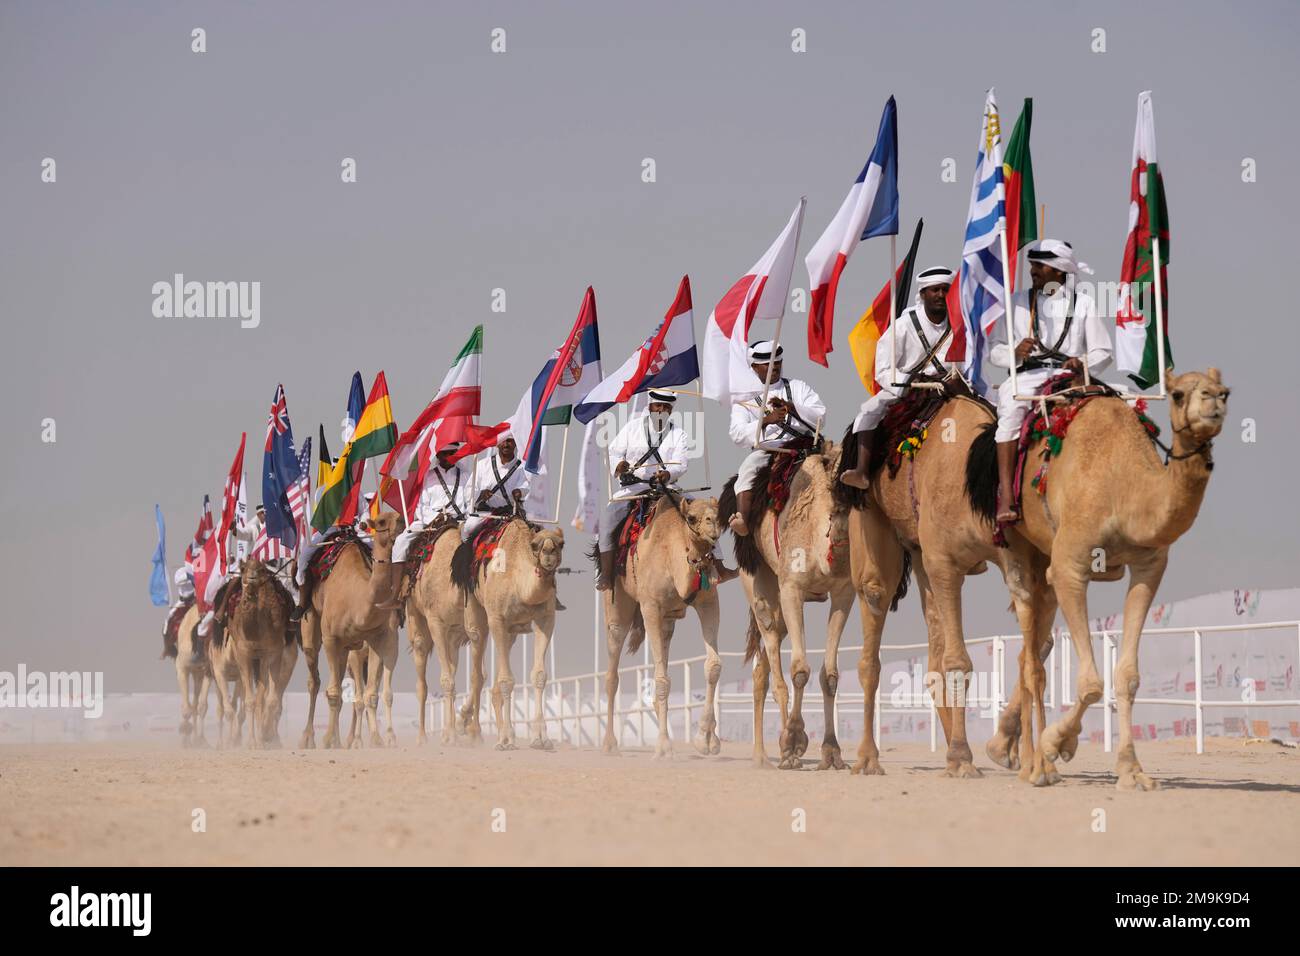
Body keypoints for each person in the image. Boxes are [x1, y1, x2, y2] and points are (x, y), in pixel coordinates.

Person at [989, 239, 1112, 523]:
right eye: (1032, 265)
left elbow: (1103, 352)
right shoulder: (1016, 302)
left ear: (1059, 271)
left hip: (1068, 379)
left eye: (1040, 266)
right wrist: (1014, 353)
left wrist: (1082, 363)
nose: (1033, 270)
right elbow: (993, 351)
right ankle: (1006, 495)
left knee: (1117, 405)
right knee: (1009, 415)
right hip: (1026, 377)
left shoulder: (1084, 303)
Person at [840, 267, 961, 488]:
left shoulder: (959, 325)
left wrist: (958, 378)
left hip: (949, 388)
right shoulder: (903, 326)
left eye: (945, 289)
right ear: (923, 293)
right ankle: (862, 471)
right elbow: (883, 370)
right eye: (935, 290)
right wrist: (909, 381)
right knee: (867, 413)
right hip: (909, 388)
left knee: (993, 408)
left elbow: (966, 363)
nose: (941, 295)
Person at [727, 341, 825, 537]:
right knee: (747, 467)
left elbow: (820, 418)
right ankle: (743, 519)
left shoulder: (798, 387)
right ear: (754, 367)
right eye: (768, 364)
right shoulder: (744, 400)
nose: (775, 366)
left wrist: (792, 407)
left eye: (778, 362)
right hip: (771, 451)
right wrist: (766, 420)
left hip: (806, 446)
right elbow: (737, 435)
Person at [595, 390, 691, 590]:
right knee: (607, 519)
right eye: (658, 406)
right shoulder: (631, 428)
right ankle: (605, 573)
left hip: (666, 488)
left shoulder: (679, 434)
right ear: (650, 407)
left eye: (666, 407)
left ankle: (714, 565)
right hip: (634, 487)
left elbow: (681, 464)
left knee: (700, 513)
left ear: (671, 410)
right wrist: (619, 464)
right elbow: (612, 453)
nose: (662, 410)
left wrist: (667, 473)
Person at [380, 441, 472, 606]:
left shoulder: (465, 477)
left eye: (452, 453)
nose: (448, 457)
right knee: (400, 542)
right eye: (445, 454)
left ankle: (476, 586)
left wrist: (459, 517)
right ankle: (395, 594)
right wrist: (437, 518)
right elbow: (420, 507)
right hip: (430, 521)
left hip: (459, 520)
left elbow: (470, 503)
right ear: (438, 456)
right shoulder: (428, 477)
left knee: (475, 538)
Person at [462, 432, 529, 542]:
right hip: (486, 514)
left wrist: (520, 492)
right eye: (503, 441)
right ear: (497, 444)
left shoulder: (522, 468)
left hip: (510, 514)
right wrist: (480, 495)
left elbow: (526, 488)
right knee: (469, 527)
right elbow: (469, 490)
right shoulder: (483, 465)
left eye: (509, 441)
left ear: (515, 443)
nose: (506, 444)